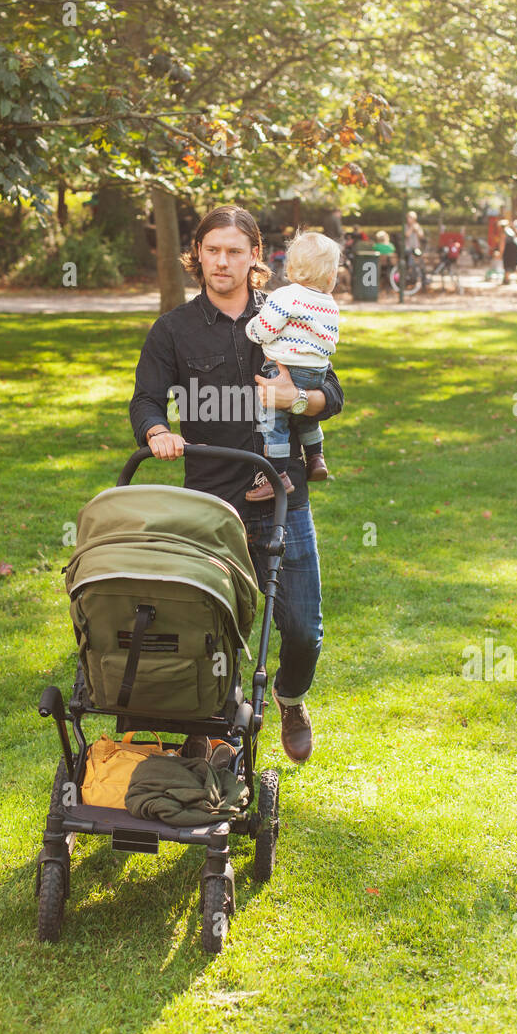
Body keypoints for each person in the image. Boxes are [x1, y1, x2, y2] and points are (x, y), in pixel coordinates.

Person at [129, 204, 344, 764]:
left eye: (234, 251)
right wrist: (156, 431)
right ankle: (212, 723)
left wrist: (292, 399)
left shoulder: (289, 313)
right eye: (212, 250)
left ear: (255, 258)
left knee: (302, 629)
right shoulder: (172, 330)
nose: (222, 262)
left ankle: (291, 698)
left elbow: (332, 397)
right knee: (209, 627)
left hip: (283, 495)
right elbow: (148, 398)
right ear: (196, 254)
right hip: (210, 501)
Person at [242, 230, 340, 501]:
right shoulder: (329, 303)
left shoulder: (286, 296)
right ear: (331, 276)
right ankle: (317, 456)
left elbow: (265, 328)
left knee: (273, 420)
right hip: (317, 372)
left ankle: (278, 477)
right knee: (303, 416)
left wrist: (252, 329)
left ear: (291, 268)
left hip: (288, 367)